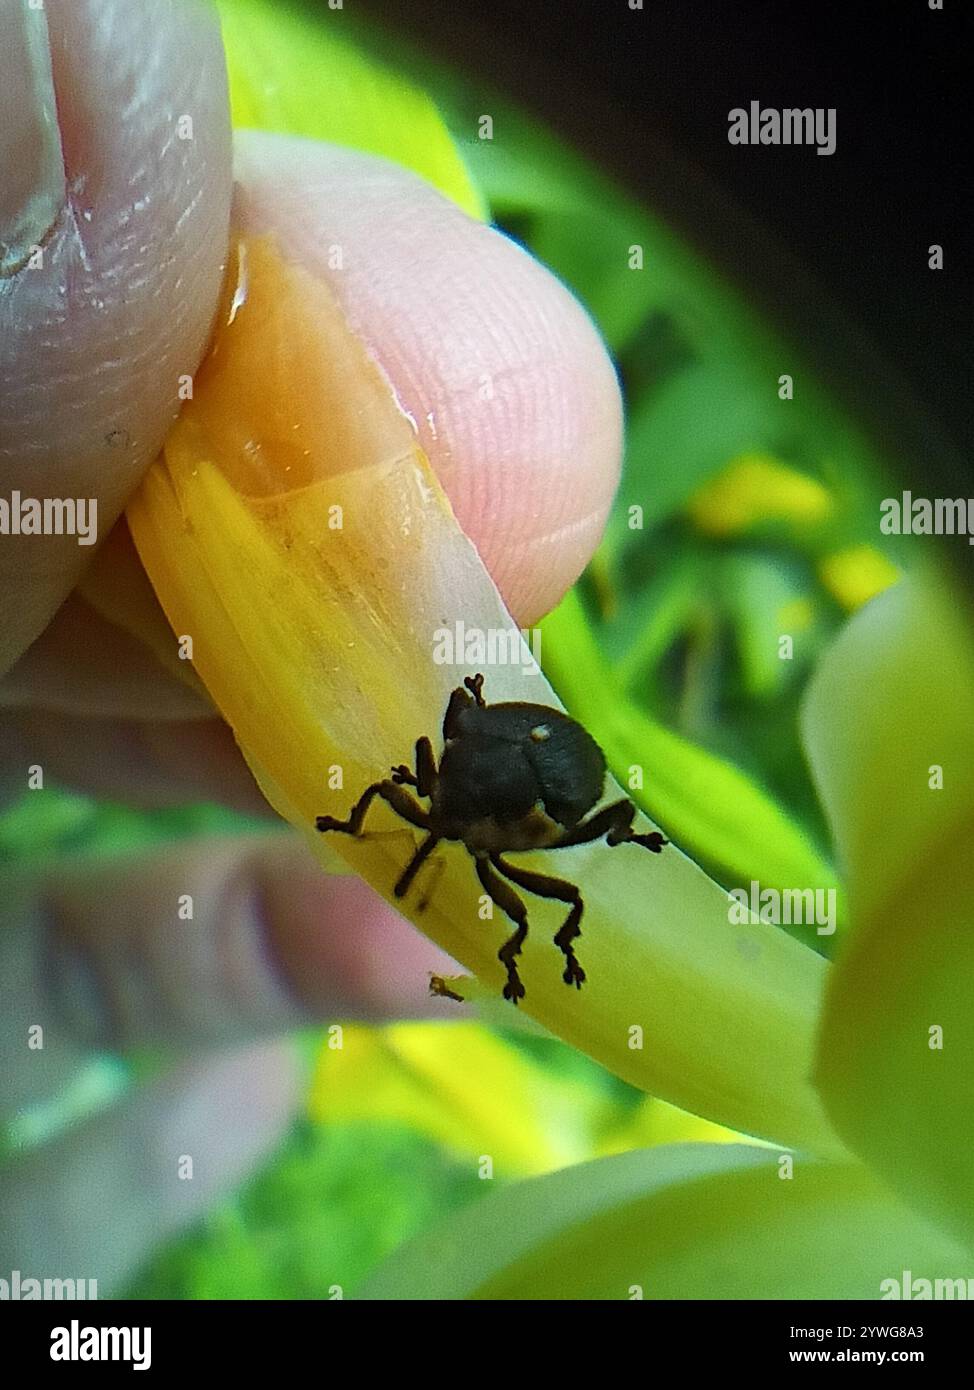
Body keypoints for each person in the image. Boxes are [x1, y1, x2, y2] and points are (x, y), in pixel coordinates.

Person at [0, 0, 622, 1291]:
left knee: (508, 864)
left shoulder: (463, 797)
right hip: (521, 766)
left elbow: (500, 775)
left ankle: (551, 918)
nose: (418, 818)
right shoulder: (444, 787)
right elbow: (470, 765)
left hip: (536, 773)